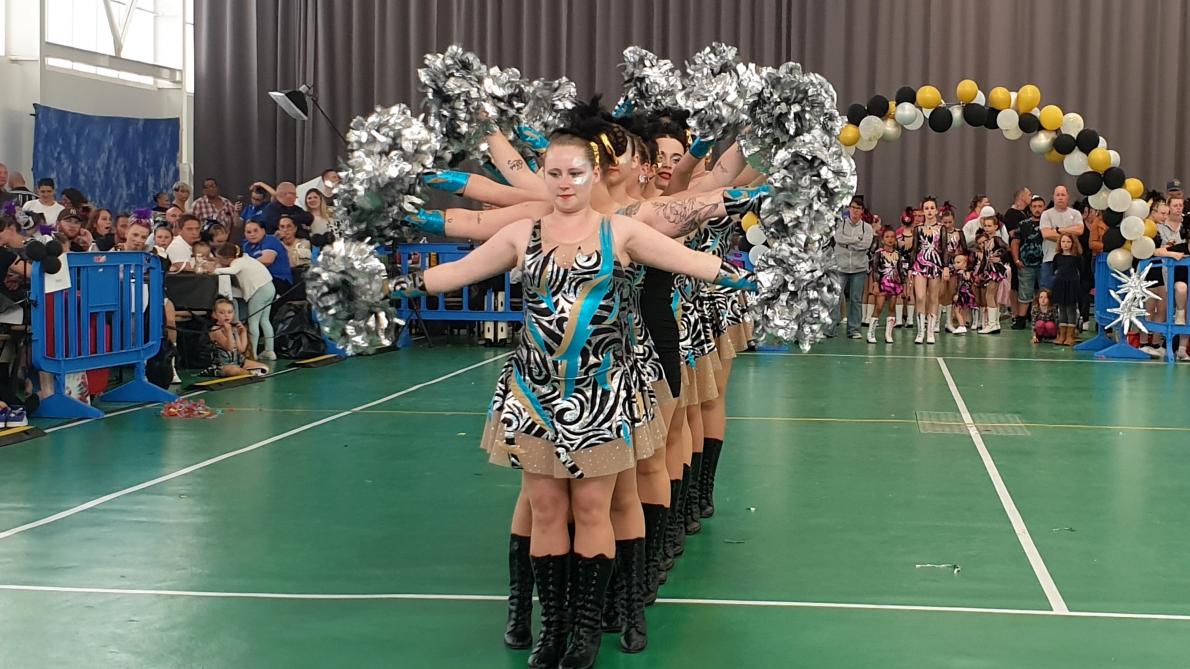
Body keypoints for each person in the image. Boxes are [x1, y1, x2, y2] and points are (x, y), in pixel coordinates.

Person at [391, 130, 754, 669]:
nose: (565, 183)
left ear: (593, 174)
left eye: (575, 173)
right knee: (544, 509)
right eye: (554, 173)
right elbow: (454, 273)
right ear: (544, 174)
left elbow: (694, 261)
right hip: (535, 393)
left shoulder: (623, 230)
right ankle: (552, 629)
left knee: (590, 507)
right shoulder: (522, 232)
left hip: (601, 393)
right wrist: (392, 286)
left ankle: (586, 630)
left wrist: (754, 274)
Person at [213, 243, 277, 361]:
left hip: (259, 290)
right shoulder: (246, 258)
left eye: (221, 259)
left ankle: (252, 354)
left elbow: (232, 270)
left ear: (229, 258)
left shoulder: (238, 262)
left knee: (253, 321)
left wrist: (215, 270)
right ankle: (270, 350)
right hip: (270, 287)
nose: (219, 261)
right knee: (264, 320)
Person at [836, 195, 873, 339]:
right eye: (853, 208)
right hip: (841, 268)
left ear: (862, 211)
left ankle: (854, 330)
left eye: (858, 208)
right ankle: (830, 329)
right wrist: (855, 240)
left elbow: (865, 245)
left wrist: (847, 243)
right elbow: (838, 239)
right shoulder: (841, 224)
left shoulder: (867, 228)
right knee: (836, 298)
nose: (855, 211)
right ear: (849, 209)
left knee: (856, 299)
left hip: (859, 269)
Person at [909, 197, 945, 344]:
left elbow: (945, 249)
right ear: (923, 211)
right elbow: (914, 249)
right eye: (926, 208)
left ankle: (930, 331)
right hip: (920, 264)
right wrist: (911, 268)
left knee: (933, 298)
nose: (929, 211)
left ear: (936, 210)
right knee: (921, 297)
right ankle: (920, 331)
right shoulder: (918, 229)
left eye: (931, 208)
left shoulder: (941, 228)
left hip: (936, 264)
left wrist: (947, 267)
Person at [205, 297, 269, 377]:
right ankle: (249, 373)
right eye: (222, 313)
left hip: (237, 362)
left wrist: (243, 332)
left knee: (264, 368)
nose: (226, 315)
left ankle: (247, 372)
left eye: (229, 312)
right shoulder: (215, 330)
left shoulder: (233, 329)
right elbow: (230, 347)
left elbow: (241, 348)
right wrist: (228, 332)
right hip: (222, 365)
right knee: (233, 370)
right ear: (214, 314)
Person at [1010, 196, 1047, 329]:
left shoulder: (1048, 224)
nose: (1037, 209)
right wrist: (1016, 259)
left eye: (1040, 206)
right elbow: (1015, 242)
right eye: (1034, 206)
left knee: (1043, 292)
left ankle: (1042, 318)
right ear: (1030, 208)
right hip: (1026, 264)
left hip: (1045, 263)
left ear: (1044, 208)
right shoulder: (1023, 224)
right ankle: (1020, 319)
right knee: (1024, 292)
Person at [1039, 185, 1084, 291]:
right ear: (1053, 197)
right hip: (1050, 258)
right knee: (1047, 290)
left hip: (1071, 259)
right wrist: (1069, 235)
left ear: (1067, 197)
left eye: (1063, 195)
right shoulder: (1046, 214)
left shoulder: (1075, 213)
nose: (1060, 197)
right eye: (1057, 195)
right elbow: (1046, 234)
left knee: (1070, 291)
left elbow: (1080, 230)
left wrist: (1058, 230)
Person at [974, 211, 1010, 334]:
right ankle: (995, 323)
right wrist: (978, 273)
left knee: (989, 295)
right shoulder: (987, 242)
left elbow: (1007, 249)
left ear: (996, 227)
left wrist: (1001, 258)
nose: (987, 228)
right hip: (990, 270)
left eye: (990, 226)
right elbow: (984, 259)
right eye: (985, 226)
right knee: (993, 296)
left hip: (996, 270)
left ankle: (992, 324)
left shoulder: (996, 239)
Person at [868, 228, 903, 343]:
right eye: (887, 237)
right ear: (882, 240)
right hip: (883, 283)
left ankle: (888, 334)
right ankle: (871, 332)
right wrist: (875, 284)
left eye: (892, 237)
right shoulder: (879, 253)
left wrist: (902, 284)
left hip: (894, 284)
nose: (890, 239)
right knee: (879, 307)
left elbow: (899, 270)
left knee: (892, 307)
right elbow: (875, 269)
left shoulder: (898, 254)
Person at [242, 219, 293, 295]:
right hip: (258, 280)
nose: (252, 234)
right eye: (248, 232)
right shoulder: (246, 246)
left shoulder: (270, 239)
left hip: (278, 279)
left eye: (256, 231)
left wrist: (245, 265)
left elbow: (267, 260)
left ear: (263, 231)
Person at [1050, 233, 1084, 346]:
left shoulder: (1077, 257)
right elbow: (1054, 270)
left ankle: (1070, 335)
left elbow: (1082, 272)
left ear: (1073, 243)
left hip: (1072, 285)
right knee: (1062, 309)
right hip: (1060, 284)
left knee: (1071, 309)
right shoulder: (1057, 257)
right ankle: (1062, 334)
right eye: (1063, 242)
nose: (1065, 244)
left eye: (1068, 242)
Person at [951, 253, 975, 334]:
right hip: (966, 292)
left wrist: (957, 294)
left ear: (965, 263)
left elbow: (959, 283)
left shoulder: (960, 273)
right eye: (954, 263)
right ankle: (962, 324)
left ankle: (961, 325)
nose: (955, 265)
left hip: (961, 293)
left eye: (958, 262)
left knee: (956, 310)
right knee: (962, 310)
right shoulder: (965, 273)